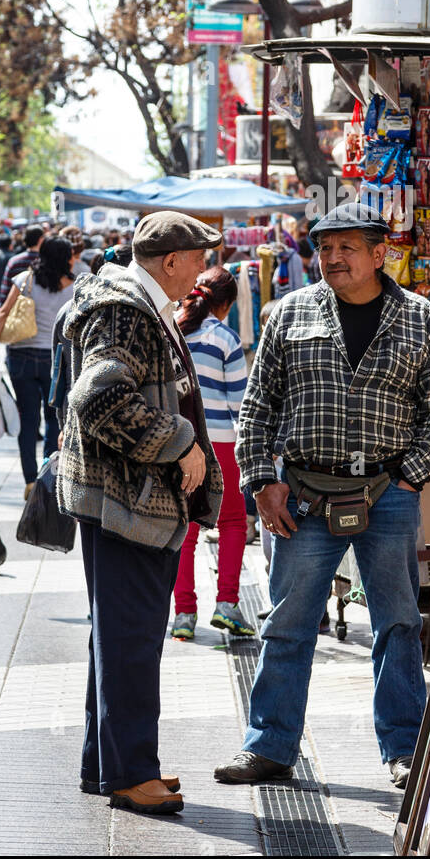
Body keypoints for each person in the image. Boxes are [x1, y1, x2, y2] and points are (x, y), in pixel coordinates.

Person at [214, 202, 430, 791]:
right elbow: (257, 407)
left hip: (388, 493)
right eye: (325, 247)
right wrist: (259, 482)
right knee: (287, 621)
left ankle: (405, 749)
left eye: (348, 247)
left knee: (397, 622)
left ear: (380, 254)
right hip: (302, 493)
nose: (333, 258)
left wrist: (409, 477)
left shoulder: (418, 317)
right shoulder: (289, 313)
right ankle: (269, 746)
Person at [57, 211, 225, 816]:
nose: (206, 272)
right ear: (171, 261)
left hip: (132, 498)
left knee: (119, 637)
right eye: (200, 259)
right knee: (130, 639)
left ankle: (108, 764)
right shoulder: (129, 307)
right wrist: (178, 440)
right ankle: (131, 773)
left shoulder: (138, 301)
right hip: (127, 500)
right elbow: (99, 395)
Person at [171, 266, 253, 641]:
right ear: (227, 305)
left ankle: (184, 615)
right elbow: (240, 401)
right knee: (233, 522)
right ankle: (227, 605)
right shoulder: (226, 338)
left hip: (180, 441)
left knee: (185, 528)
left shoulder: (172, 329)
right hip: (220, 442)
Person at [0, 235, 78, 492]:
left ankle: (28, 481)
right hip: (56, 360)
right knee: (53, 419)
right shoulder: (75, 286)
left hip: (21, 357)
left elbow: (2, 313)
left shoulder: (25, 279)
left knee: (27, 419)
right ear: (66, 257)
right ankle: (47, 478)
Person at [0, 222, 45, 305]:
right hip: (42, 310)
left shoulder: (14, 261)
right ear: (40, 240)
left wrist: (2, 309)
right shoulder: (46, 261)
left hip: (17, 312)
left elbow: (5, 289)